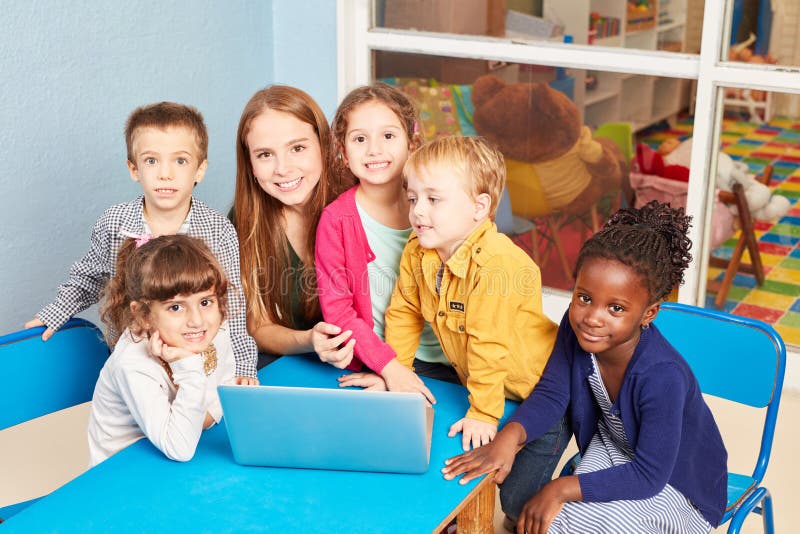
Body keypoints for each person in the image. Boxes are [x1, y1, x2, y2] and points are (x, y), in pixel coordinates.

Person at [442, 201, 728, 534]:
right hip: (614, 446)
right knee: (551, 524)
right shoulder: (576, 328)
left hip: (678, 482)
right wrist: (508, 437)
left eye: (616, 308)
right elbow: (552, 393)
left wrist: (559, 488)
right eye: (584, 298)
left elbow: (649, 475)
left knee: (598, 524)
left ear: (648, 313)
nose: (592, 317)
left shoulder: (663, 376)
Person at [342, 135, 568, 522]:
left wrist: (483, 413)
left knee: (517, 506)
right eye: (413, 198)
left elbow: (488, 344)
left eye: (434, 199)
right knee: (451, 471)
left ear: (479, 207)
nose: (418, 211)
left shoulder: (498, 266)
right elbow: (404, 312)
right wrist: (397, 373)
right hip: (484, 382)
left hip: (538, 391)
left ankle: (576, 477)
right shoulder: (418, 249)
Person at [26, 102, 258, 384]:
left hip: (198, 363)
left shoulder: (217, 229)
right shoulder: (115, 223)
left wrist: (244, 366)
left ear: (200, 170)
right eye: (151, 161)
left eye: (180, 161)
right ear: (134, 169)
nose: (165, 173)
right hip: (135, 365)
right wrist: (55, 313)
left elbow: (231, 303)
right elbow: (88, 279)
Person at [316, 83, 448, 402]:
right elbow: (339, 311)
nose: (374, 150)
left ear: (412, 144)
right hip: (385, 358)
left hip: (454, 356)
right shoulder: (336, 220)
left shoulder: (441, 205)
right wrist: (389, 369)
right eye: (360, 139)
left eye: (388, 136)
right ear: (343, 152)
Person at [232, 86, 354, 369]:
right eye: (265, 154)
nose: (282, 168)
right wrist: (310, 340)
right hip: (295, 364)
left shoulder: (359, 201)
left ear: (324, 146)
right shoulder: (246, 219)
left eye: (297, 148)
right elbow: (259, 326)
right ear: (250, 163)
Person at [88, 235, 235, 466]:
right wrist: (187, 365)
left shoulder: (213, 330)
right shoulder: (133, 364)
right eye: (175, 307)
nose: (197, 321)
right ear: (143, 315)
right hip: (126, 471)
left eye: (206, 302)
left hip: (181, 456)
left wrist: (200, 419)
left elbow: (226, 386)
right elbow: (180, 448)